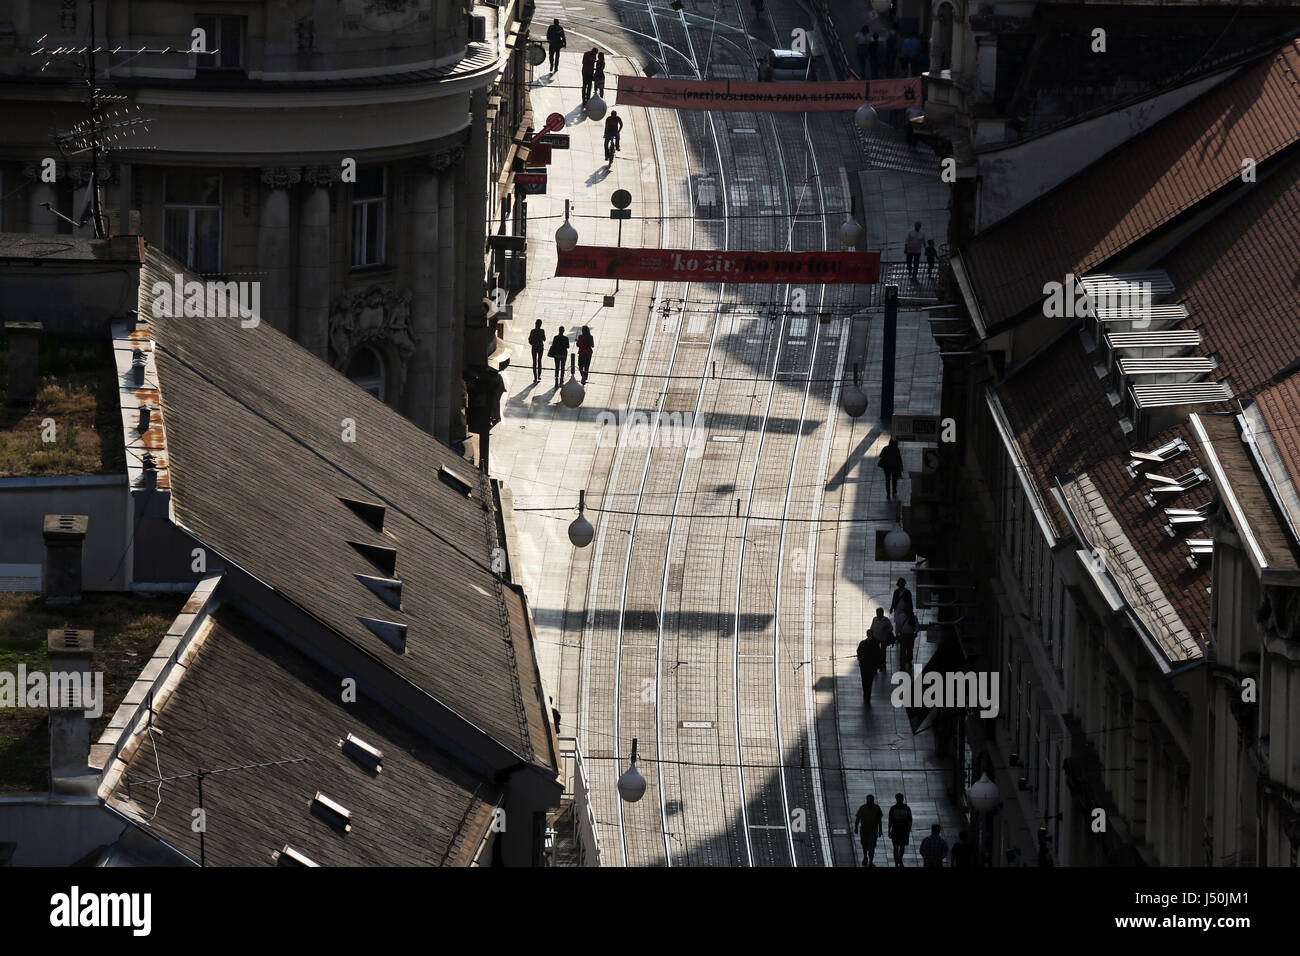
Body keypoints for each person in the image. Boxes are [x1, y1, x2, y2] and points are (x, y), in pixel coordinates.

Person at [856, 630, 885, 706]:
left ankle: (867, 694)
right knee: (866, 681)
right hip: (866, 665)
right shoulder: (870, 644)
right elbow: (879, 655)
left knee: (867, 681)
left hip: (868, 665)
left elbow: (878, 655)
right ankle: (867, 694)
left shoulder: (865, 643)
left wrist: (880, 664)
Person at [854, 795, 884, 867]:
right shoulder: (863, 808)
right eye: (869, 800)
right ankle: (865, 856)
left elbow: (879, 820)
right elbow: (858, 818)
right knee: (864, 845)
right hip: (864, 830)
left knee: (872, 846)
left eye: (871, 800)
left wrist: (880, 830)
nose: (870, 801)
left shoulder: (877, 808)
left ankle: (870, 861)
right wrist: (856, 827)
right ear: (867, 800)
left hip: (873, 831)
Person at [888, 793, 912, 867]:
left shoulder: (906, 808)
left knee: (901, 846)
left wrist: (908, 829)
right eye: (898, 798)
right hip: (896, 830)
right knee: (896, 847)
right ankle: (897, 862)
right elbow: (890, 820)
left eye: (900, 798)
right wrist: (889, 830)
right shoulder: (893, 808)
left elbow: (910, 820)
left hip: (903, 830)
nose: (899, 800)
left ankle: (899, 859)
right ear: (896, 799)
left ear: (902, 799)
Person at [896, 608, 917, 675]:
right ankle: (907, 662)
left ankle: (904, 664)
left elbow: (898, 626)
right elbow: (917, 626)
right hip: (909, 635)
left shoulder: (901, 616)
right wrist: (915, 633)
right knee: (908, 650)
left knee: (904, 650)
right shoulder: (913, 617)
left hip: (904, 635)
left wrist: (897, 634)